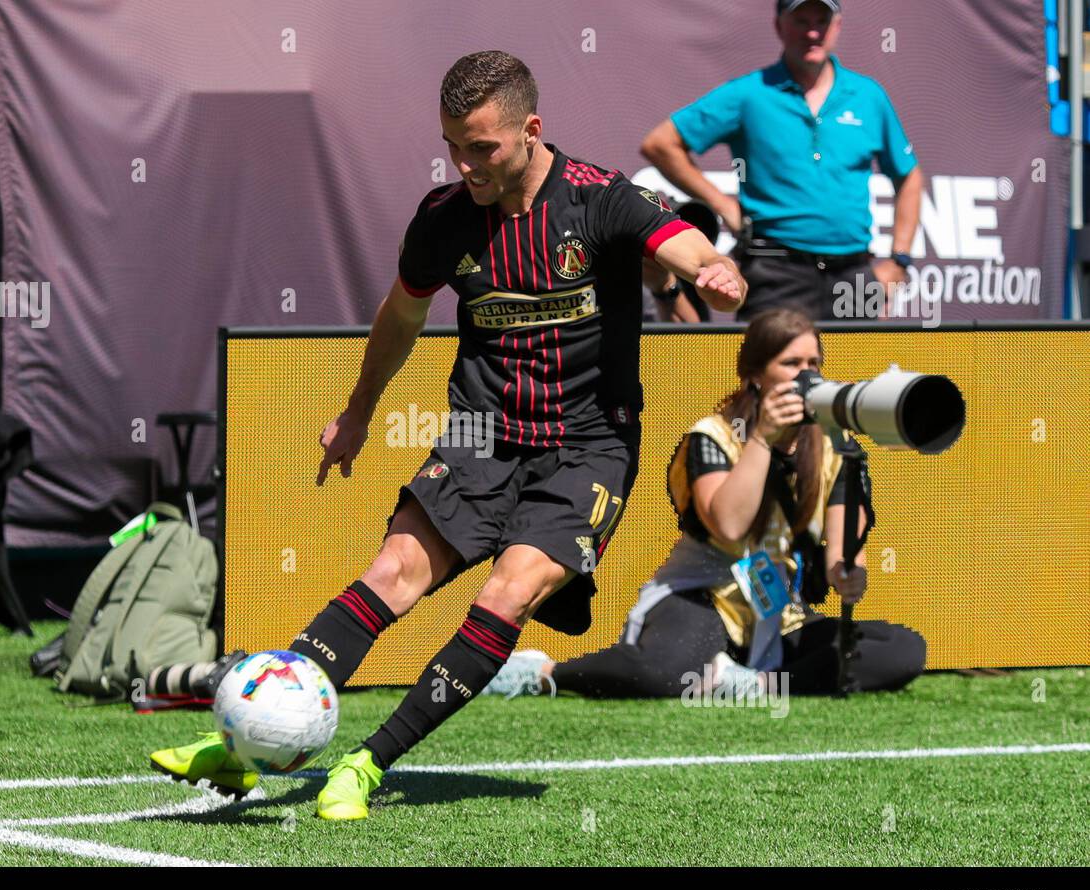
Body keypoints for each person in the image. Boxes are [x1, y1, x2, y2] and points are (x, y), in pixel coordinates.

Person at [148, 50, 746, 819]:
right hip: (479, 431)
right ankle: (243, 748)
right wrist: (360, 409)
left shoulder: (602, 200)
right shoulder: (443, 219)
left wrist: (712, 272)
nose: (466, 164)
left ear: (532, 130)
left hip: (588, 447)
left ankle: (367, 764)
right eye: (454, 146)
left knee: (510, 591)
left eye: (482, 146)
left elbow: (677, 243)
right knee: (394, 569)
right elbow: (400, 317)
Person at [484, 309, 926, 701]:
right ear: (755, 374)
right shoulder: (712, 437)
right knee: (664, 674)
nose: (805, 375)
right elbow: (729, 526)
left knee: (901, 650)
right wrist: (763, 439)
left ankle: (752, 684)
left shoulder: (834, 446)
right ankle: (542, 672)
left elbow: (843, 550)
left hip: (777, 611)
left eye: (813, 364)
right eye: (791, 364)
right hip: (702, 595)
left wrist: (848, 573)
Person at [640, 0, 923, 323]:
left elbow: (909, 176)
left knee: (861, 373)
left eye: (822, 21)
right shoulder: (750, 94)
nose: (812, 32)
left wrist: (899, 260)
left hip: (854, 273)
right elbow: (661, 144)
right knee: (771, 373)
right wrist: (723, 204)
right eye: (801, 20)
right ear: (779, 26)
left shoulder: (867, 95)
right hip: (775, 270)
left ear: (837, 26)